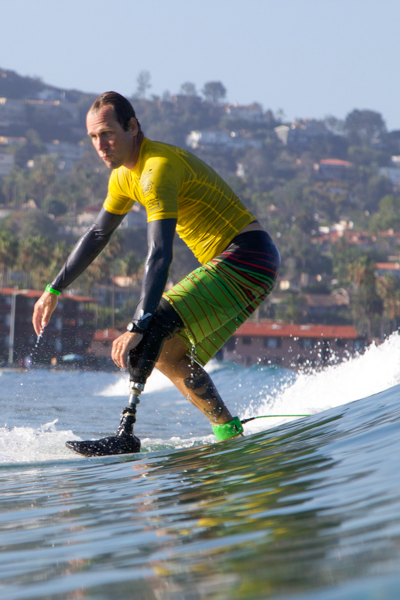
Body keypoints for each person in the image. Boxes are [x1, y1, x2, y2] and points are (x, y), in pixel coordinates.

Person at [32, 91, 280, 455]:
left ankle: (125, 434)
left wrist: (138, 324)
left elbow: (160, 253)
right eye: (93, 137)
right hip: (241, 265)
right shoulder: (123, 177)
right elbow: (98, 234)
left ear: (132, 127)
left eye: (107, 133)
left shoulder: (157, 168)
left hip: (248, 258)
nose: (100, 145)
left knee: (152, 327)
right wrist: (53, 290)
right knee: (167, 353)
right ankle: (229, 435)